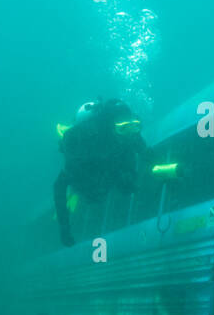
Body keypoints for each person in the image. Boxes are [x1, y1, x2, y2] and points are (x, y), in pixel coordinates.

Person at [53, 98, 145, 247]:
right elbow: (59, 186)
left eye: (133, 127)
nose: (128, 134)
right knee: (88, 192)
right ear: (109, 127)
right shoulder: (85, 148)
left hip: (107, 172)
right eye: (122, 128)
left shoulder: (130, 138)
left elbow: (146, 153)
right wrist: (64, 228)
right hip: (87, 178)